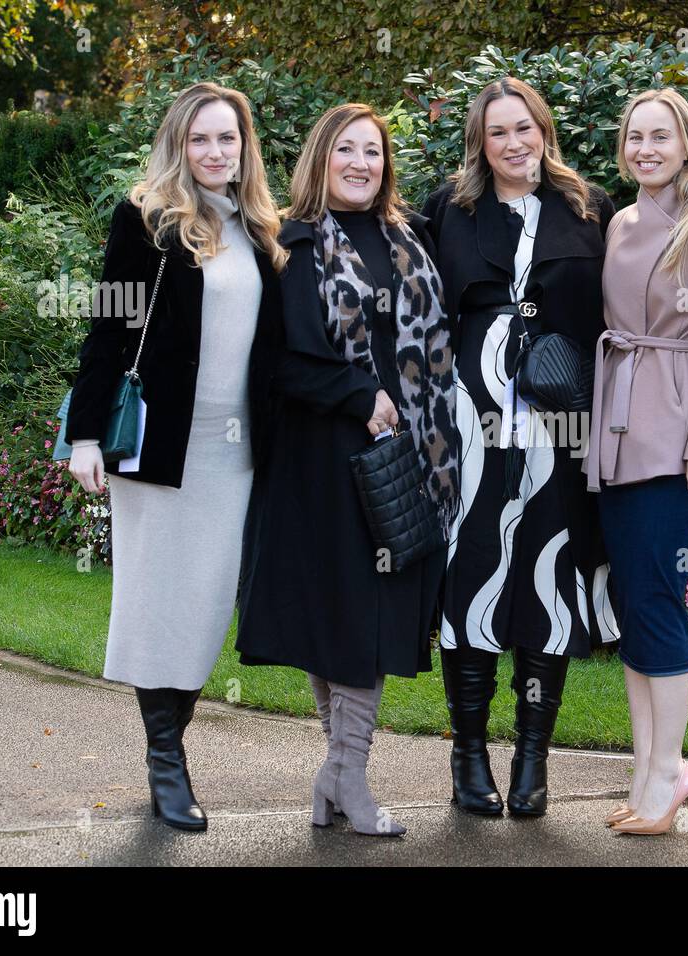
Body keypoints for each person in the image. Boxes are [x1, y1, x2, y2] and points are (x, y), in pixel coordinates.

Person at [65, 81, 288, 832]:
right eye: (200, 139)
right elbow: (108, 330)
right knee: (160, 602)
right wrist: (85, 435)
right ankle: (167, 759)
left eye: (227, 138)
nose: (215, 152)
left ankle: (171, 742)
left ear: (245, 146)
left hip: (236, 453)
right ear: (178, 146)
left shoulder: (261, 228)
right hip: (160, 445)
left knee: (206, 604)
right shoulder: (147, 221)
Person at [234, 104, 458, 837]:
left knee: (377, 611)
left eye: (373, 151)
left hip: (404, 458)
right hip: (322, 462)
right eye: (347, 150)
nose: (361, 163)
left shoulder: (412, 238)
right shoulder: (293, 244)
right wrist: (359, 395)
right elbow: (280, 363)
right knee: (343, 617)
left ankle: (338, 774)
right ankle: (348, 776)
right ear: (321, 159)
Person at [420, 77, 618, 818]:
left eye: (523, 127)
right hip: (471, 424)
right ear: (480, 140)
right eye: (497, 131)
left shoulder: (588, 207)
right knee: (471, 575)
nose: (512, 143)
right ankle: (468, 754)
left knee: (549, 577)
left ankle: (533, 757)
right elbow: (417, 308)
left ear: (544, 130)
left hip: (560, 424)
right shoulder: (449, 209)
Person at [586, 88, 688, 835]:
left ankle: (669, 772)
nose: (645, 149)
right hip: (617, 432)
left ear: (687, 145)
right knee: (632, 601)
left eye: (660, 136)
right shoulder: (620, 223)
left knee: (658, 599)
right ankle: (649, 768)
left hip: (678, 434)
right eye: (635, 137)